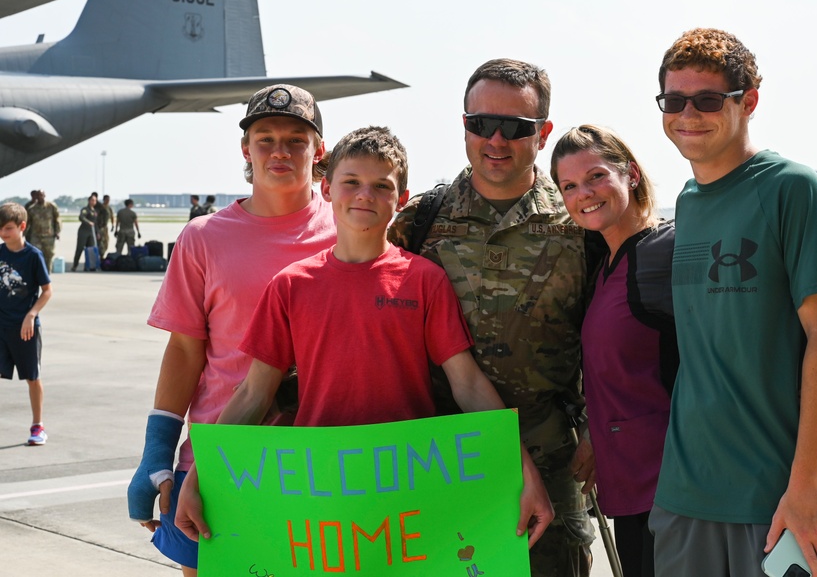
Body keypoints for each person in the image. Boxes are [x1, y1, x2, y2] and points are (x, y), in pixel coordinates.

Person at [174, 126, 553, 549]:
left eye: (381, 186)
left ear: (402, 198)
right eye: (351, 182)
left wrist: (522, 469)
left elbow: (467, 384)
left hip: (408, 491)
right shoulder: (291, 285)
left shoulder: (424, 280)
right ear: (327, 188)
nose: (364, 195)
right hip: (319, 492)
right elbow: (253, 394)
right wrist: (199, 474)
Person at [648, 28, 817, 577]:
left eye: (708, 99)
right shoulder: (688, 203)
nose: (688, 113)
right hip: (686, 496)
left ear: (749, 102)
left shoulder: (793, 189)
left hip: (776, 501)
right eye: (674, 100)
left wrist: (807, 488)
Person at [388, 58, 595, 577]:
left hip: (551, 456)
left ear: (543, 134)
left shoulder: (579, 225)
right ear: (464, 126)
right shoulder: (421, 222)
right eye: (481, 124)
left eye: (515, 128)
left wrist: (598, 427)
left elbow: (610, 336)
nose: (495, 140)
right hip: (439, 457)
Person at [126, 84, 337, 576]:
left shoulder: (349, 230)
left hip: (322, 460)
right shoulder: (203, 237)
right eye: (265, 139)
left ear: (320, 149)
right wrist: (156, 451)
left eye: (296, 140)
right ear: (246, 149)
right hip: (219, 459)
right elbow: (184, 350)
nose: (279, 151)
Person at [550, 125, 677, 577]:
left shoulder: (669, 252)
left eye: (596, 176)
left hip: (673, 495)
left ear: (632, 175)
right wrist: (593, 433)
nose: (584, 193)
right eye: (569, 186)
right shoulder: (604, 261)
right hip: (630, 492)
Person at [0, 203, 53, 446]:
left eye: (8, 228)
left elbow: (47, 291)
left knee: (32, 377)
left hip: (25, 328)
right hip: (2, 325)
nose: (3, 233)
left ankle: (38, 426)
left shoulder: (33, 256)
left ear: (22, 226)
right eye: (1, 228)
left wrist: (31, 315)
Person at [25, 190, 61, 273]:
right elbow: (28, 222)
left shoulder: (51, 206)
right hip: (36, 236)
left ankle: (47, 273)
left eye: (41, 195)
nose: (40, 197)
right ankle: (36, 272)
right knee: (35, 254)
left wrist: (57, 231)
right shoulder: (31, 209)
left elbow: (57, 219)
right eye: (38, 195)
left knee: (49, 255)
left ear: (45, 195)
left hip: (49, 235)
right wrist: (23, 233)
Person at [71, 194, 98, 272]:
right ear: (89, 201)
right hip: (84, 232)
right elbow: (81, 217)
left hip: (91, 232)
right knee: (80, 248)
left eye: (95, 200)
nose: (94, 201)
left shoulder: (94, 211)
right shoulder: (85, 209)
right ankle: (75, 265)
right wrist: (88, 222)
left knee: (91, 249)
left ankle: (89, 266)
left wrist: (97, 232)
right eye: (93, 200)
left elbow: (96, 223)